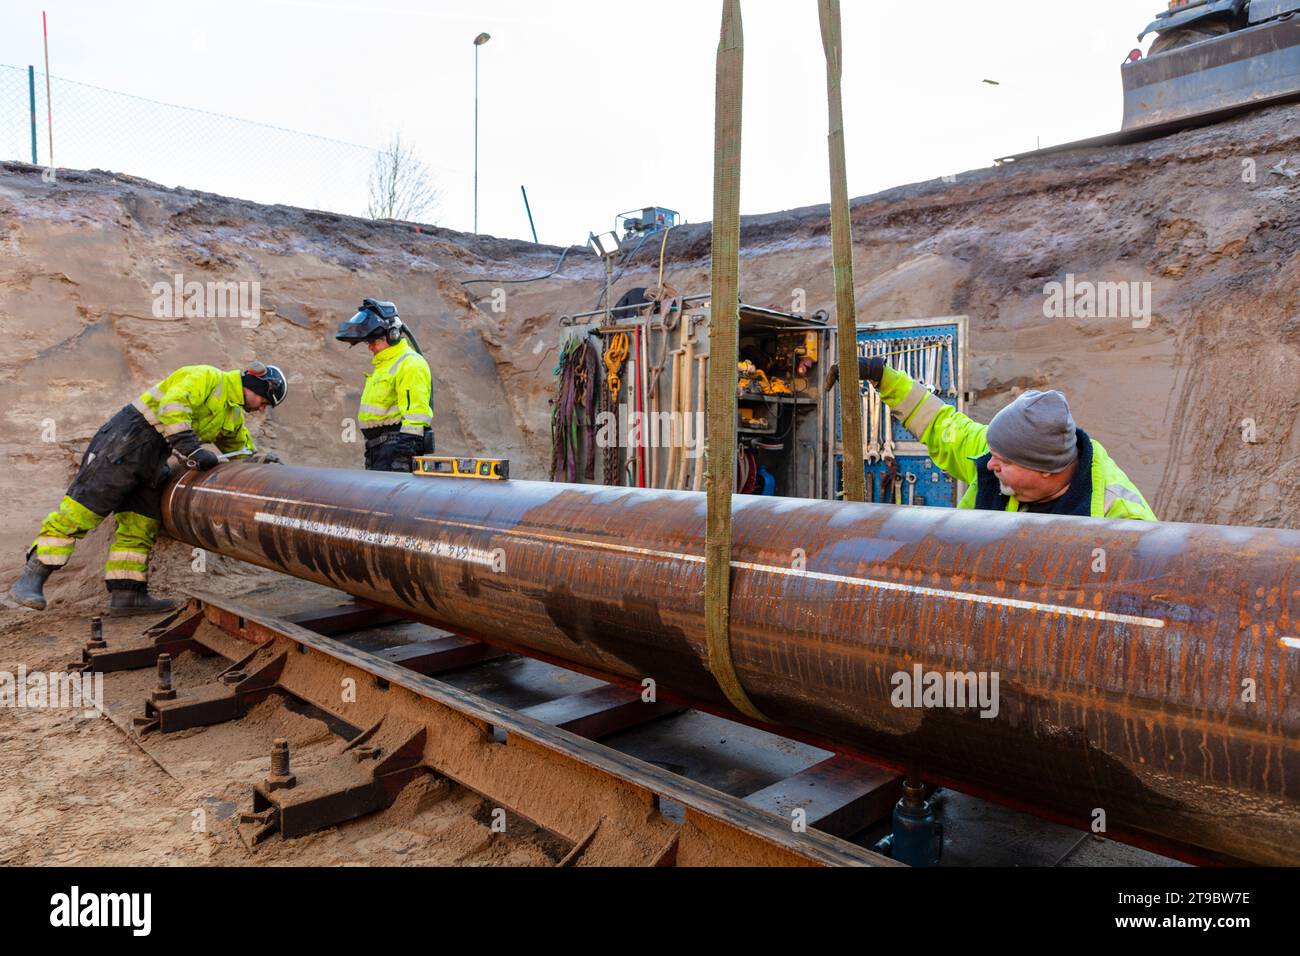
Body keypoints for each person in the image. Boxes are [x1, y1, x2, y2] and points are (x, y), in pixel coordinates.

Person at [8, 361, 287, 615]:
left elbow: (240, 450)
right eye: (265, 400)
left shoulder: (232, 416)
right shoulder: (207, 377)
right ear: (255, 385)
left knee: (140, 523)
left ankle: (127, 594)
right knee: (80, 512)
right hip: (124, 442)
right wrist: (191, 448)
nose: (263, 408)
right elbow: (172, 405)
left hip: (154, 459)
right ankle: (30, 580)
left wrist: (260, 462)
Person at [829, 355, 1156, 519]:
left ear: (1045, 468)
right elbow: (939, 423)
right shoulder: (993, 453)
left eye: (1003, 461)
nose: (988, 465)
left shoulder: (1119, 515)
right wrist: (882, 376)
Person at [335, 298, 433, 472]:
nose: (370, 347)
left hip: (395, 448)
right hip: (377, 449)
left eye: (374, 341)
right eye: (368, 342)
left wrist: (403, 457)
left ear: (393, 335)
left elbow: (416, 417)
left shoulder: (410, 364)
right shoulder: (384, 366)